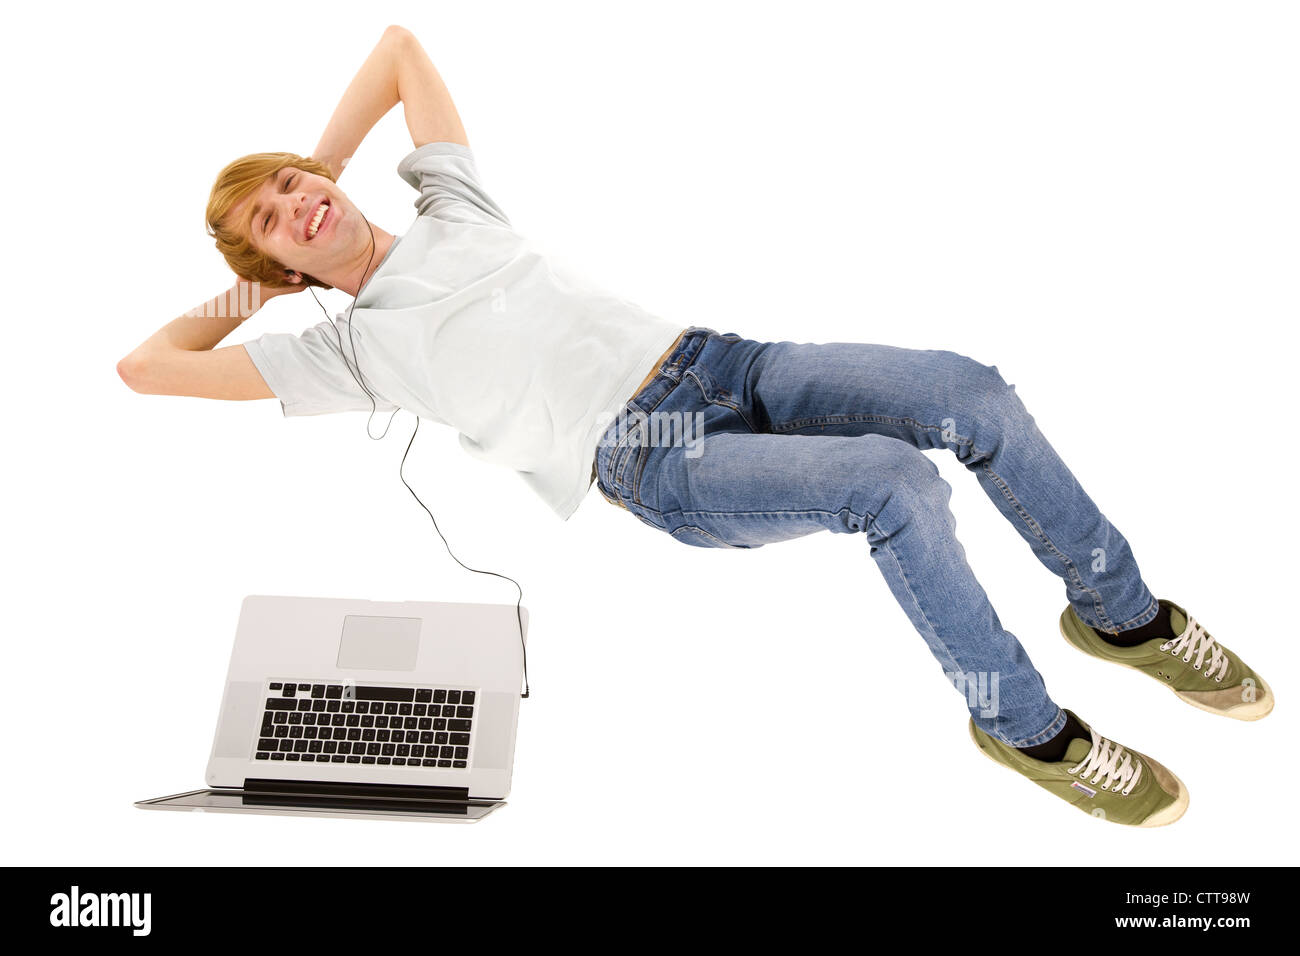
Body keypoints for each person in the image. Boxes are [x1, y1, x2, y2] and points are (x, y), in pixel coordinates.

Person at [117, 25, 1272, 827]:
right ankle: (1023, 728)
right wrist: (253, 290)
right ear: (271, 259)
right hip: (647, 450)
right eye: (273, 218)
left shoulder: (450, 205)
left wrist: (313, 163)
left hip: (721, 359)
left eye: (292, 185)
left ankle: (1121, 616)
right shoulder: (346, 351)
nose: (300, 205)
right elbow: (144, 368)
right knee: (890, 481)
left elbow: (398, 48)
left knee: (966, 391)